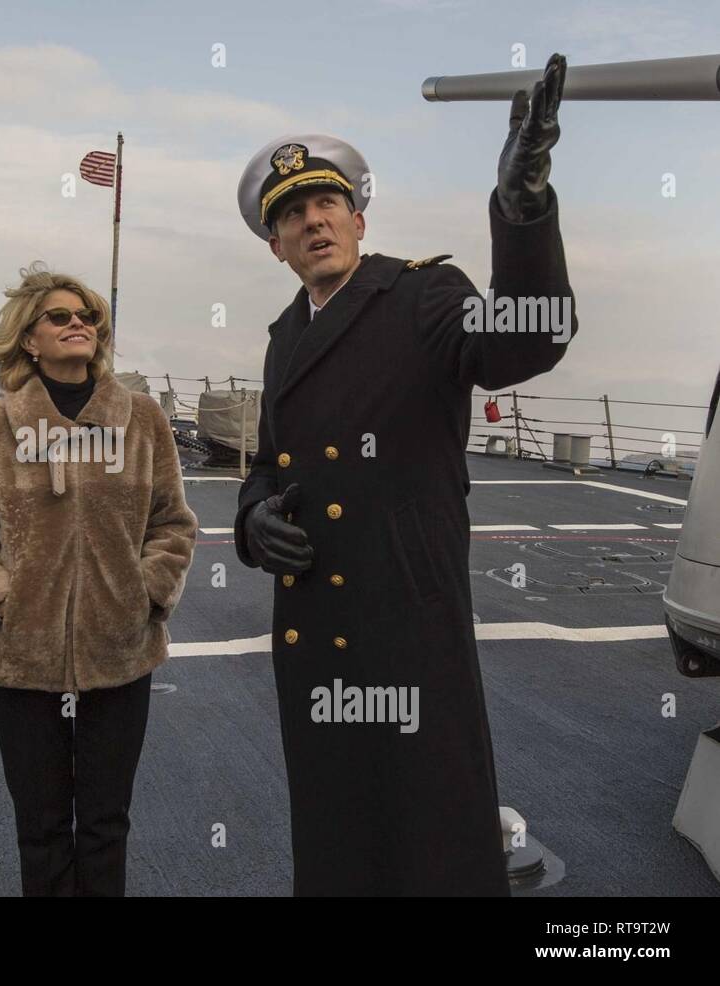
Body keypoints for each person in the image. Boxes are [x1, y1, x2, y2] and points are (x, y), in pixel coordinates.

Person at [232, 54, 575, 895]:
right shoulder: (283, 338)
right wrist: (249, 525)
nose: (314, 222)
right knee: (337, 827)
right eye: (293, 216)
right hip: (314, 631)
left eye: (327, 204)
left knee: (430, 833)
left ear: (356, 219)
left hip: (407, 628)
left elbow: (528, 339)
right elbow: (264, 468)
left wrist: (521, 209)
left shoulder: (423, 296)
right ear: (276, 247)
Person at [0, 265, 197, 896]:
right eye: (60, 316)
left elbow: (173, 523)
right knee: (42, 824)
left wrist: (148, 592)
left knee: (107, 821)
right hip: (22, 655)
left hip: (120, 649)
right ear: (28, 336)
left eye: (87, 316)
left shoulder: (142, 419)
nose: (79, 323)